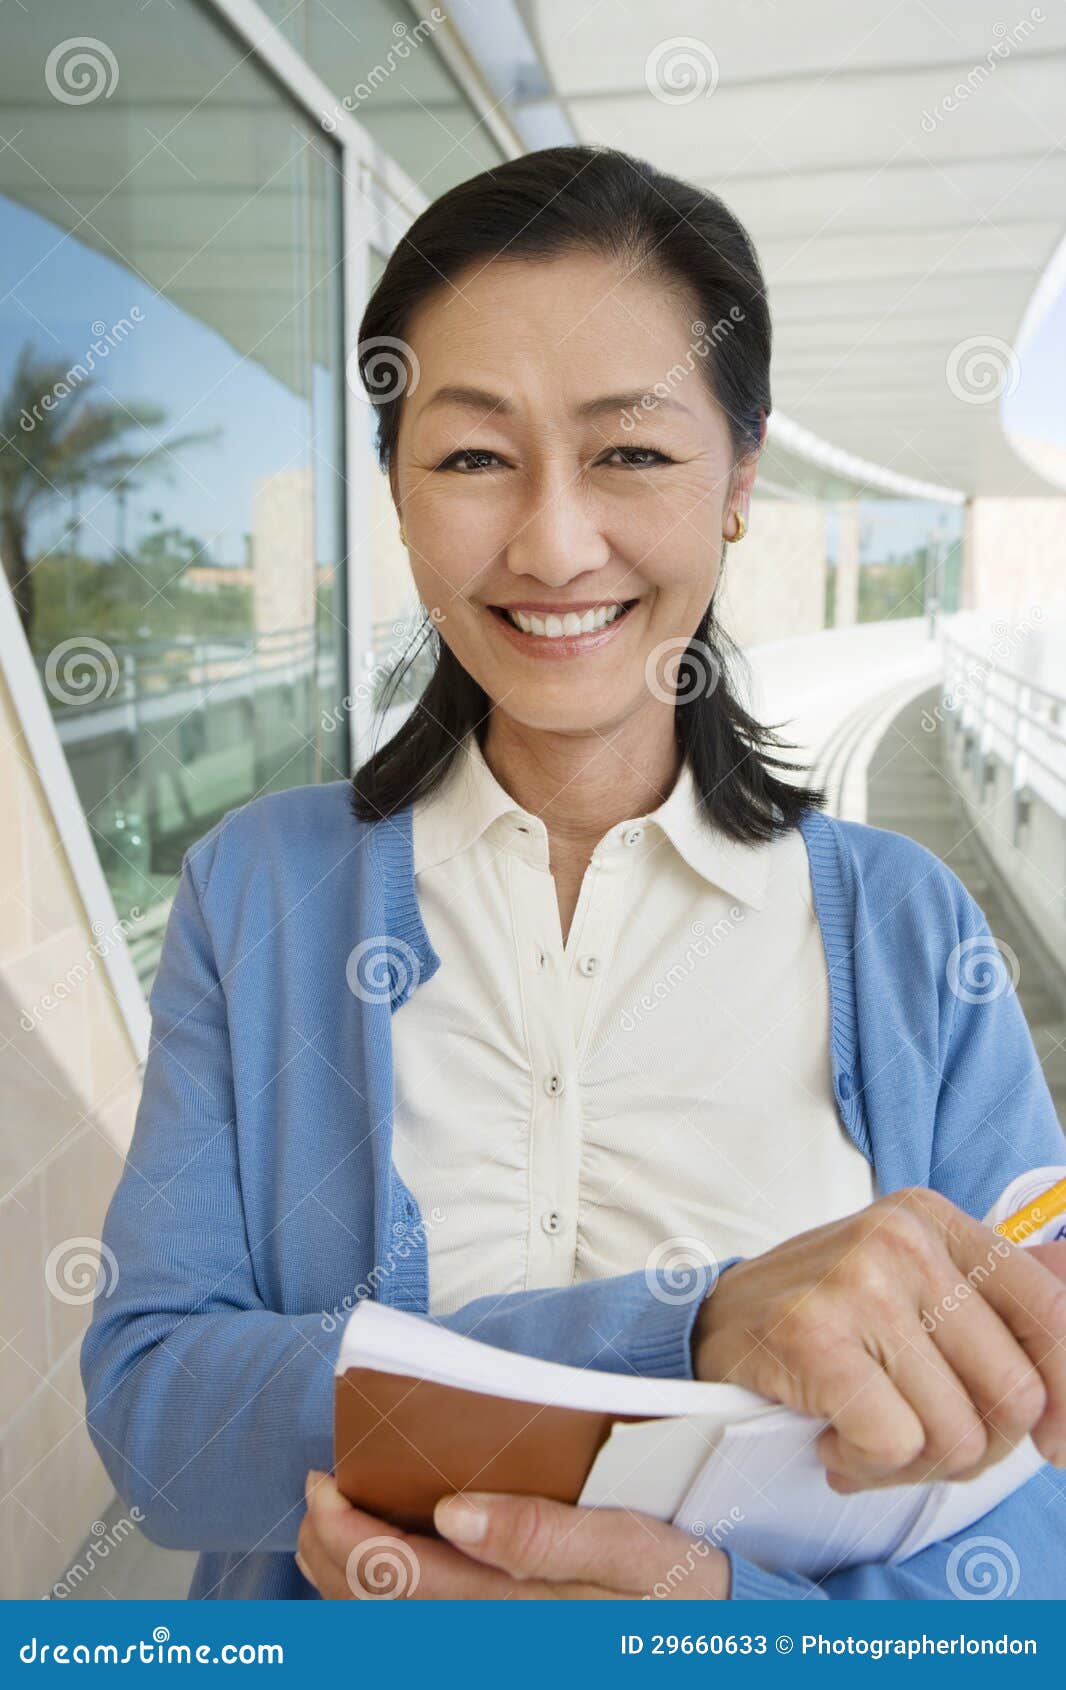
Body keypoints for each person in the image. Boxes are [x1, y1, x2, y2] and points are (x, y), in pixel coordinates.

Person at [81, 146, 1066, 1602]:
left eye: (632, 451)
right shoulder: (257, 890)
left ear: (739, 476)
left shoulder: (907, 931)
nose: (550, 543)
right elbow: (162, 1425)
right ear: (400, 501)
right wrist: (685, 1331)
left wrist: (710, 1619)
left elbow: (1028, 1504)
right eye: (473, 457)